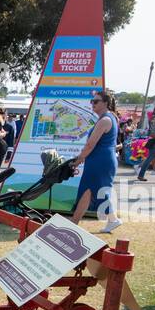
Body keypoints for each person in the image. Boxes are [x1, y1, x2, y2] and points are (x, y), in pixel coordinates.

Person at [69, 89, 121, 231]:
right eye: (92, 101)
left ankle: (75, 222)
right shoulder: (108, 118)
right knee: (93, 190)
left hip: (100, 160)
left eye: (96, 101)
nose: (93, 104)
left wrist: (79, 160)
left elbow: (91, 144)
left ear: (105, 103)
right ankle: (112, 219)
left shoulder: (105, 120)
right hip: (101, 159)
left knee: (91, 190)